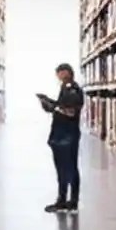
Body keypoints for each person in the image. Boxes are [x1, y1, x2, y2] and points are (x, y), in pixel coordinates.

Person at [37, 63, 84, 213]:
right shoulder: (65, 88)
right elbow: (62, 106)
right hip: (60, 136)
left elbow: (71, 112)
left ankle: (72, 201)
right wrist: (49, 103)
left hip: (67, 136)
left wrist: (54, 107)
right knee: (62, 170)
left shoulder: (73, 90)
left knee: (70, 169)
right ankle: (62, 200)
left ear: (66, 73)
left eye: (60, 73)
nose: (58, 77)